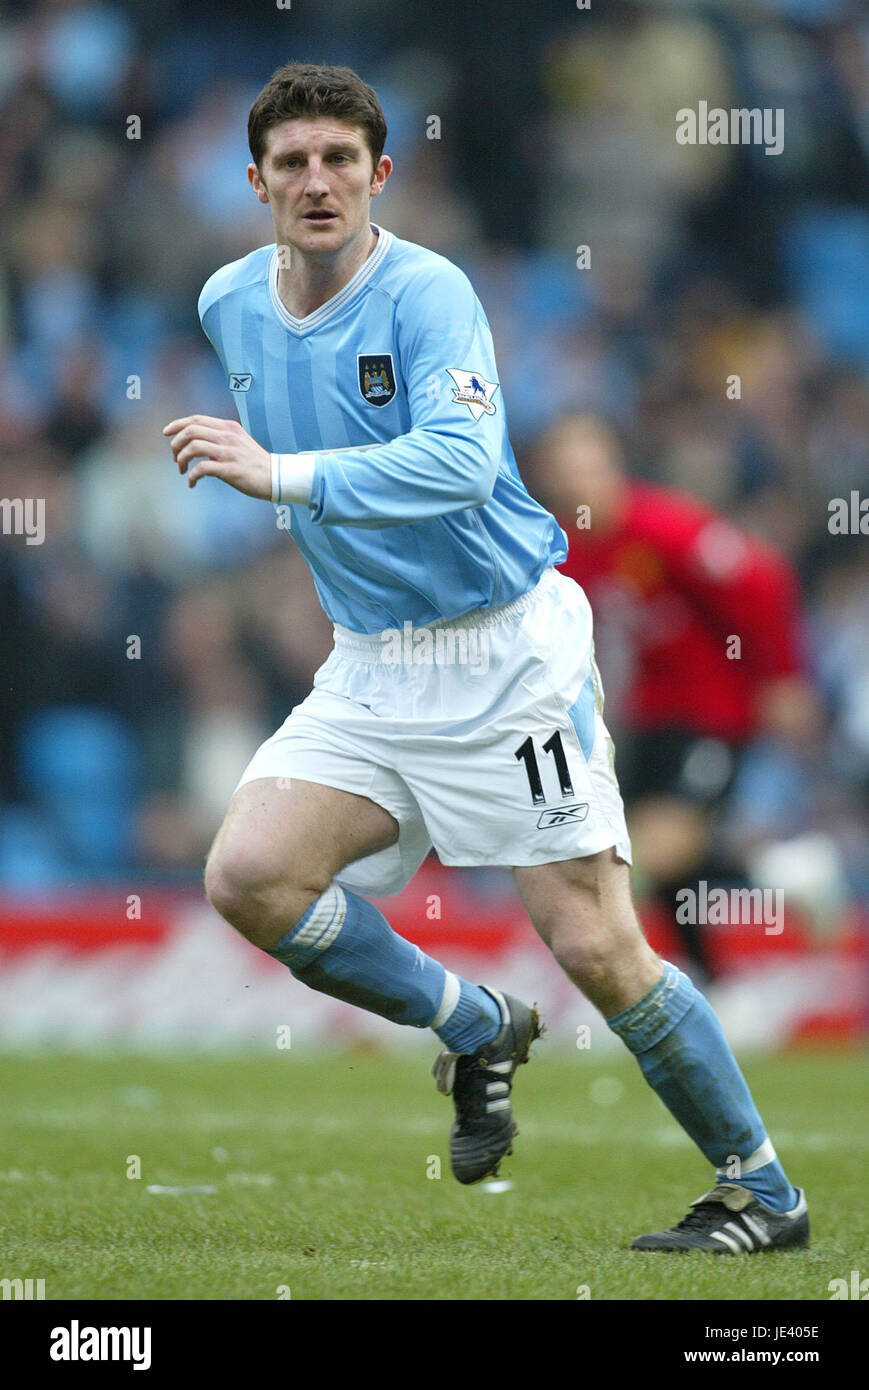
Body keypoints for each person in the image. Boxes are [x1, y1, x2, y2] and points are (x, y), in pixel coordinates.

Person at [164, 62, 808, 1252]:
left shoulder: (426, 291)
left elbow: (459, 464)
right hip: (373, 662)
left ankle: (761, 1190)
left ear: (379, 176)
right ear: (253, 181)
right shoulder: (227, 303)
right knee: (248, 875)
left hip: (502, 650)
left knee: (598, 945)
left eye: (340, 161)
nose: (318, 182)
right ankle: (472, 1022)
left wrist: (280, 475)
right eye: (293, 162)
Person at [534, 413, 819, 986]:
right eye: (562, 470)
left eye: (585, 466)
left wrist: (781, 678)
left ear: (611, 464)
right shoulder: (562, 547)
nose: (575, 482)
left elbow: (760, 579)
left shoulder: (666, 527)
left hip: (713, 713)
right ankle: (718, 981)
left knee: (655, 849)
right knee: (640, 860)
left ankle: (786, 877)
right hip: (643, 720)